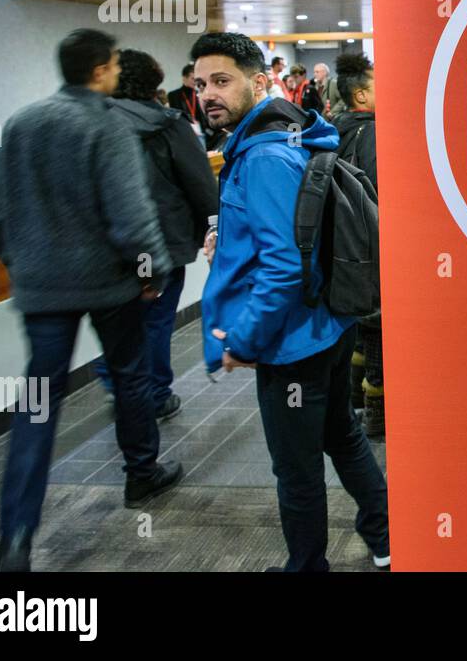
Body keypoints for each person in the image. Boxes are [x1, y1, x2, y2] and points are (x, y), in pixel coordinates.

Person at [0, 29, 183, 571]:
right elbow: (131, 216)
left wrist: (18, 260)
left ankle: (16, 537)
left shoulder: (22, 122)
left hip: (41, 288)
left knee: (37, 407)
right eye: (114, 65)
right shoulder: (107, 125)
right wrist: (153, 271)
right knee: (132, 375)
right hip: (108, 286)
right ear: (99, 70)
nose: (117, 73)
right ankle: (142, 475)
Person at [192, 32, 389, 571]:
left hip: (291, 342)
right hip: (326, 323)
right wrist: (228, 242)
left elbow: (282, 268)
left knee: (296, 472)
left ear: (259, 83)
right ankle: (385, 535)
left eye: (222, 81)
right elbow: (290, 234)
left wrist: (244, 340)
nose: (208, 93)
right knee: (342, 437)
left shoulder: (263, 157)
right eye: (201, 83)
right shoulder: (293, 136)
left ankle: (307, 566)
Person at [90, 49, 219, 421]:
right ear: (153, 83)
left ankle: (117, 380)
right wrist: (215, 225)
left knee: (120, 320)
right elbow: (199, 183)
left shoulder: (94, 124)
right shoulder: (168, 124)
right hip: (162, 244)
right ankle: (155, 394)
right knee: (157, 320)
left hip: (109, 246)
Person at [330, 53, 384, 438]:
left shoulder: (333, 131)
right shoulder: (376, 135)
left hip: (344, 252)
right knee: (380, 329)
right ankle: (379, 415)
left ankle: (353, 397)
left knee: (361, 328)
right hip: (374, 248)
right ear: (361, 95)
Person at [168, 63, 212, 147]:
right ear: (184, 78)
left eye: (196, 79)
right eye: (192, 79)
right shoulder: (173, 95)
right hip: (185, 132)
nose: (195, 82)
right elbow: (177, 115)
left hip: (201, 132)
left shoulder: (199, 93)